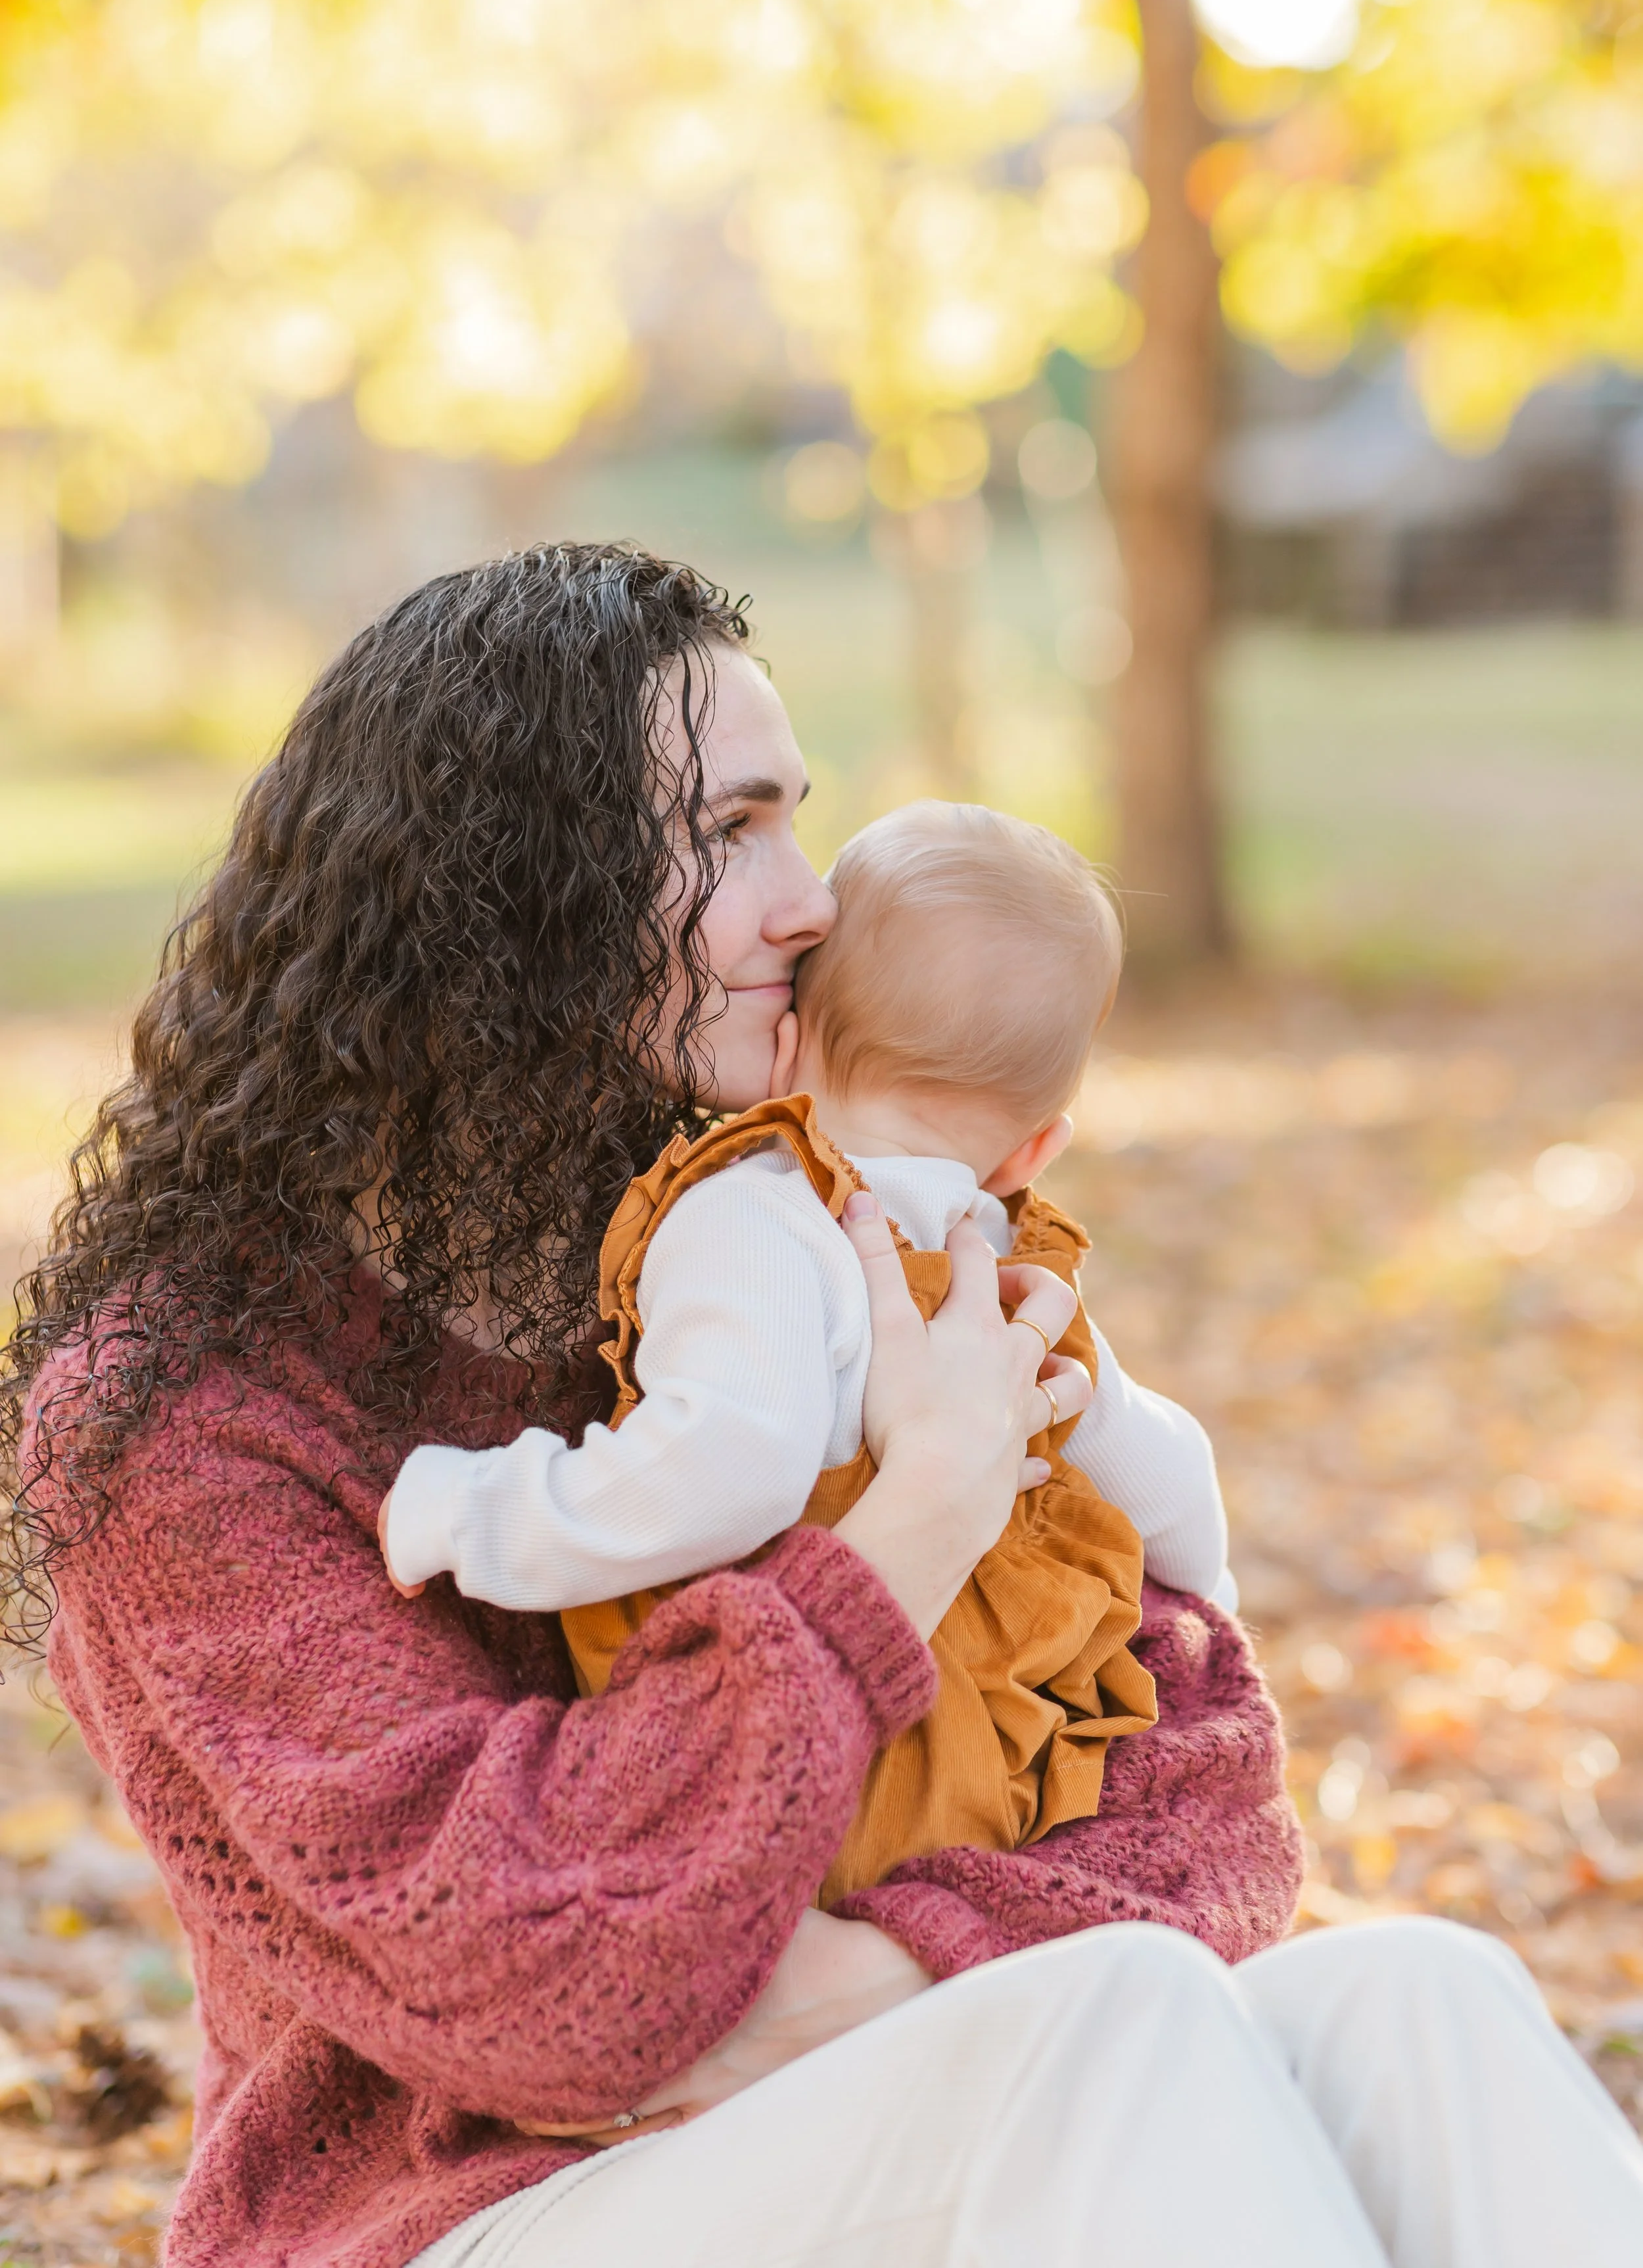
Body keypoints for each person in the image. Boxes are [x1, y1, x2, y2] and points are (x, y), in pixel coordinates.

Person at [5, 544, 1641, 2268]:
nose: (809, 901)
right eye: (725, 833)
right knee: (1107, 2027)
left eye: (800, 816)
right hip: (448, 2214)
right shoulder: (183, 1408)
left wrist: (851, 1974)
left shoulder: (779, 1228)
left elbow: (1206, 1793)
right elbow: (537, 1973)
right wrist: (917, 1517)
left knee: (1417, 1992)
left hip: (843, 2106)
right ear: (503, 892)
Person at [378, 798, 1235, 1899]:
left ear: (789, 1037)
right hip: (1006, 1766)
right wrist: (1201, 1608)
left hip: (811, 1775)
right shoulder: (1017, 1282)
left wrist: (470, 1508)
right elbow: (1172, 1491)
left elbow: (725, 1470)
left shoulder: (762, 1218)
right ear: (1036, 1148)